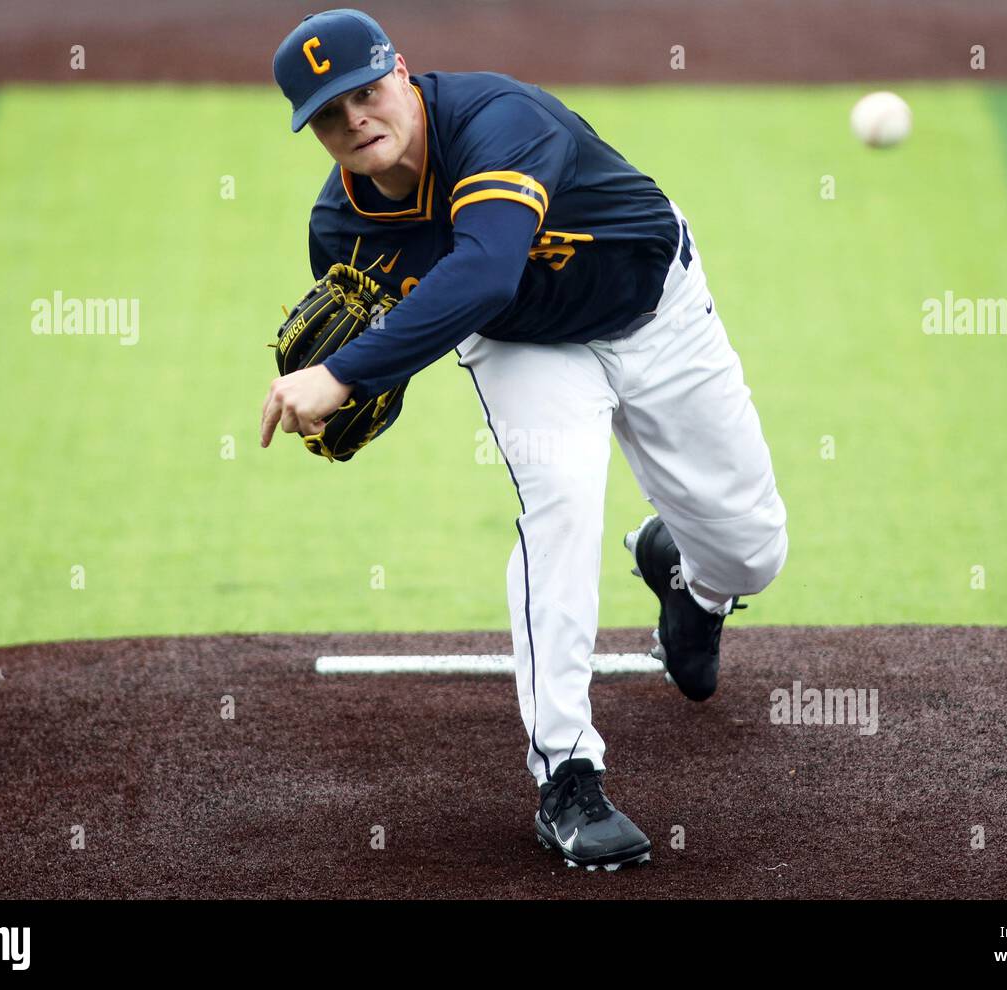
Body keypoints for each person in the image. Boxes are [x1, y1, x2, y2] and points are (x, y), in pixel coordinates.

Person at [261, 8, 788, 872]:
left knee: (754, 553)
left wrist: (346, 372)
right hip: (524, 350)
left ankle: (692, 580)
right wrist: (364, 386)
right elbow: (418, 326)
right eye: (326, 113)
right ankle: (568, 778)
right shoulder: (340, 234)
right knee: (561, 507)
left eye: (363, 92)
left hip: (656, 311)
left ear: (403, 72)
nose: (353, 119)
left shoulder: (500, 121)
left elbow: (485, 267)